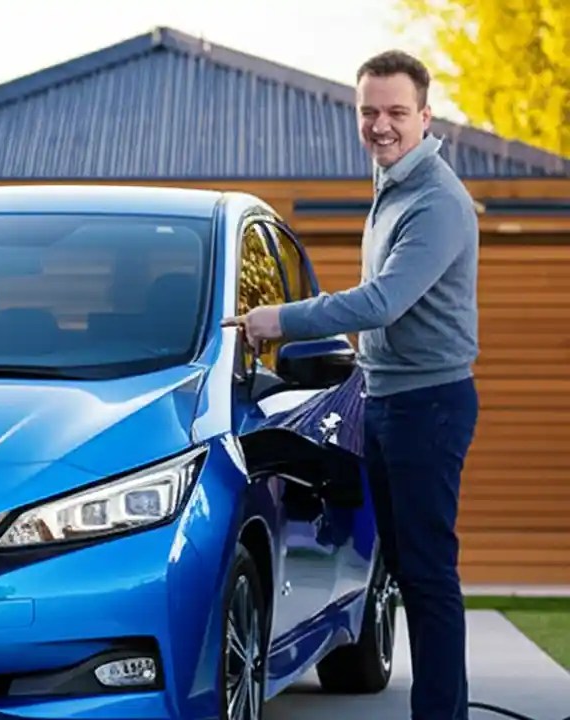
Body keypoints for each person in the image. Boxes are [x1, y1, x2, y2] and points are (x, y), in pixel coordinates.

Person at [224, 50, 479, 720]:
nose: (381, 124)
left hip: (430, 406)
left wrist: (278, 318)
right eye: (369, 111)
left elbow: (380, 302)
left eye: (396, 111)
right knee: (403, 567)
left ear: (425, 116)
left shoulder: (436, 203)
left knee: (426, 576)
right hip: (388, 400)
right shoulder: (391, 187)